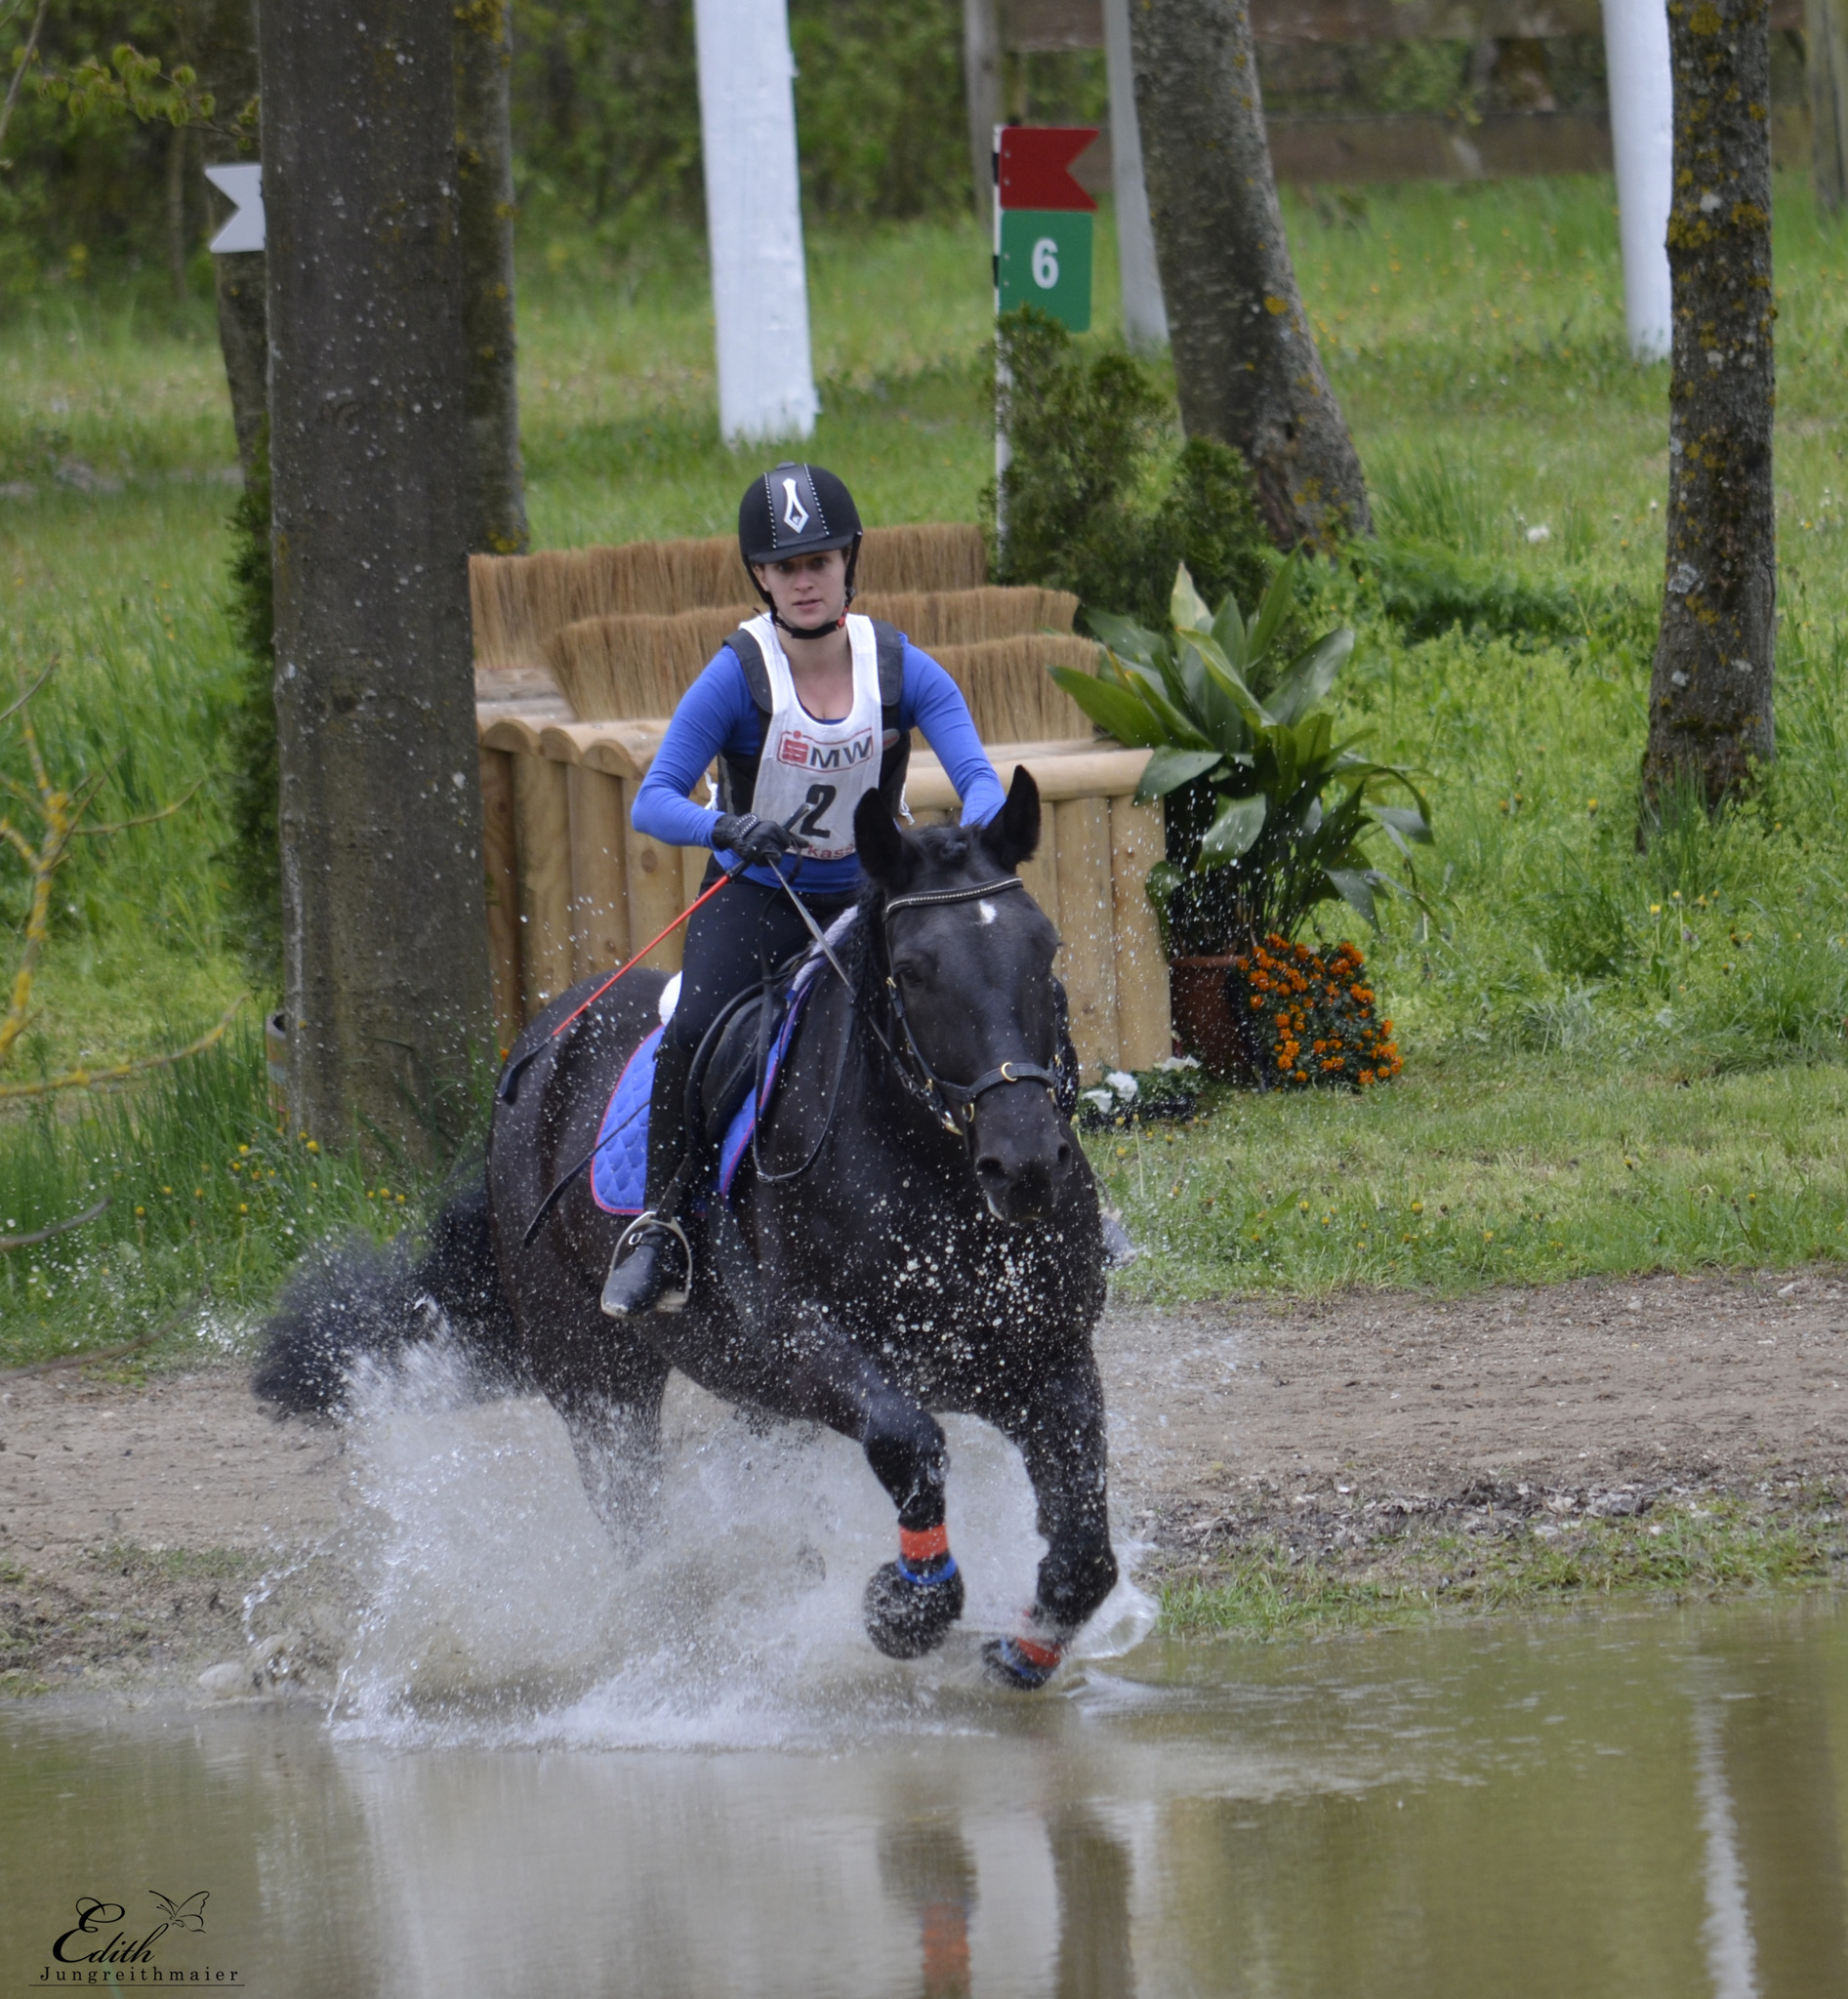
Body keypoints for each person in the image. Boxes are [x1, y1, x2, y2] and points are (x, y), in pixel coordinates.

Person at [601, 462, 1009, 1317]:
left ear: (848, 561)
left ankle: (1055, 1181)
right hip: (757, 900)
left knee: (991, 993)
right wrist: (724, 827)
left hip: (871, 897)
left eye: (820, 560)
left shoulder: (900, 669)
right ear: (761, 576)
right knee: (694, 1028)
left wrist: (967, 843)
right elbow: (653, 800)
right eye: (787, 567)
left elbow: (979, 779)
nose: (805, 579)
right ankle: (662, 1227)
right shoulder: (736, 678)